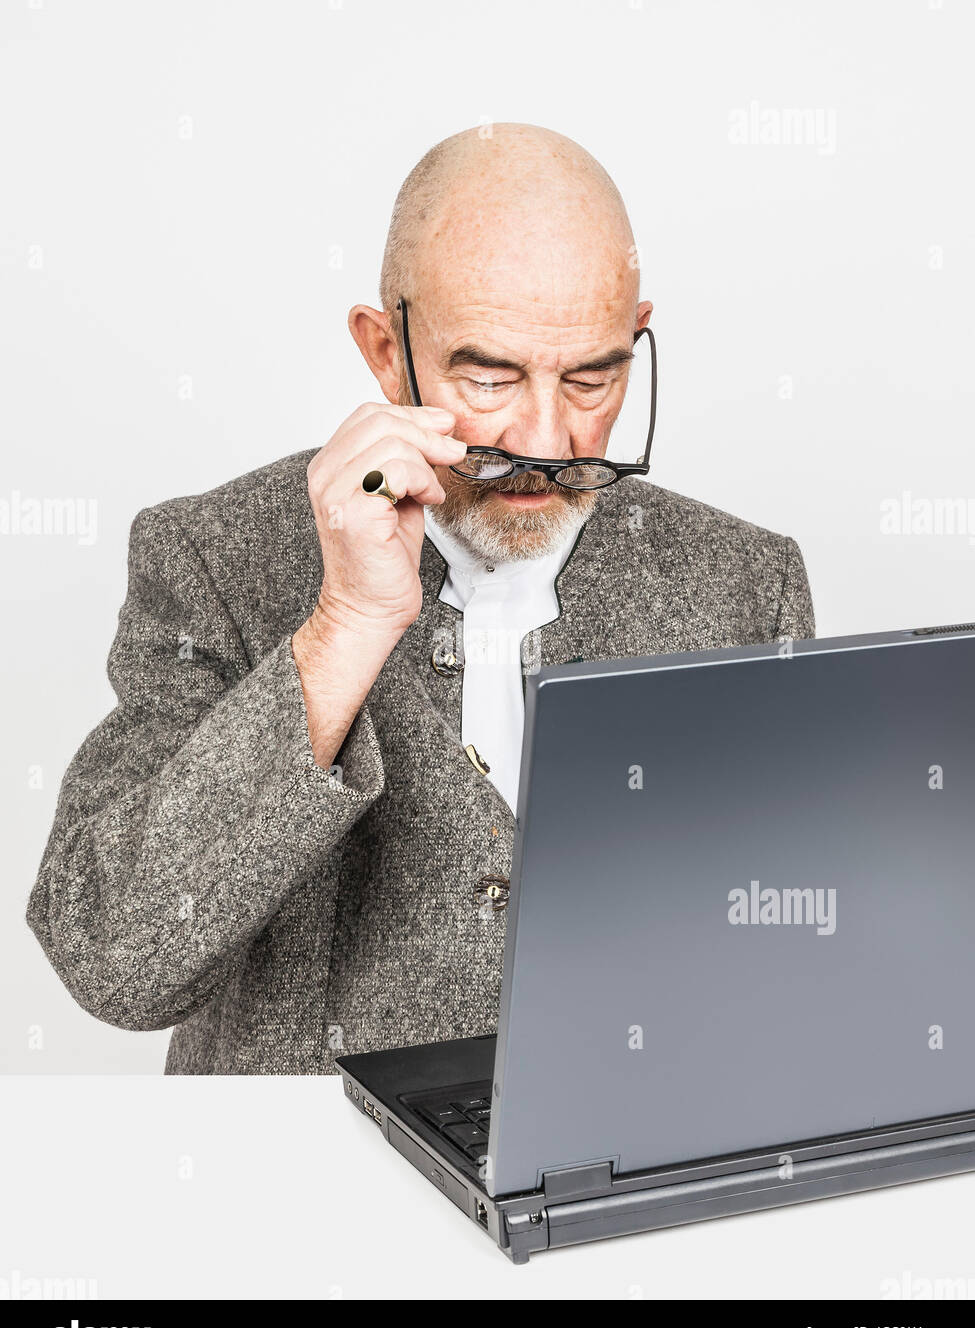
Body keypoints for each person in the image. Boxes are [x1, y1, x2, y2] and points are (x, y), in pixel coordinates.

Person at [27, 124, 814, 1074]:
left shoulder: (745, 583)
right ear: (382, 350)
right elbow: (115, 960)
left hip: (607, 1187)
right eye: (488, 375)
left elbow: (787, 970)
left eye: (593, 376)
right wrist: (343, 628)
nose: (547, 437)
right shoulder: (210, 558)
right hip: (293, 1191)